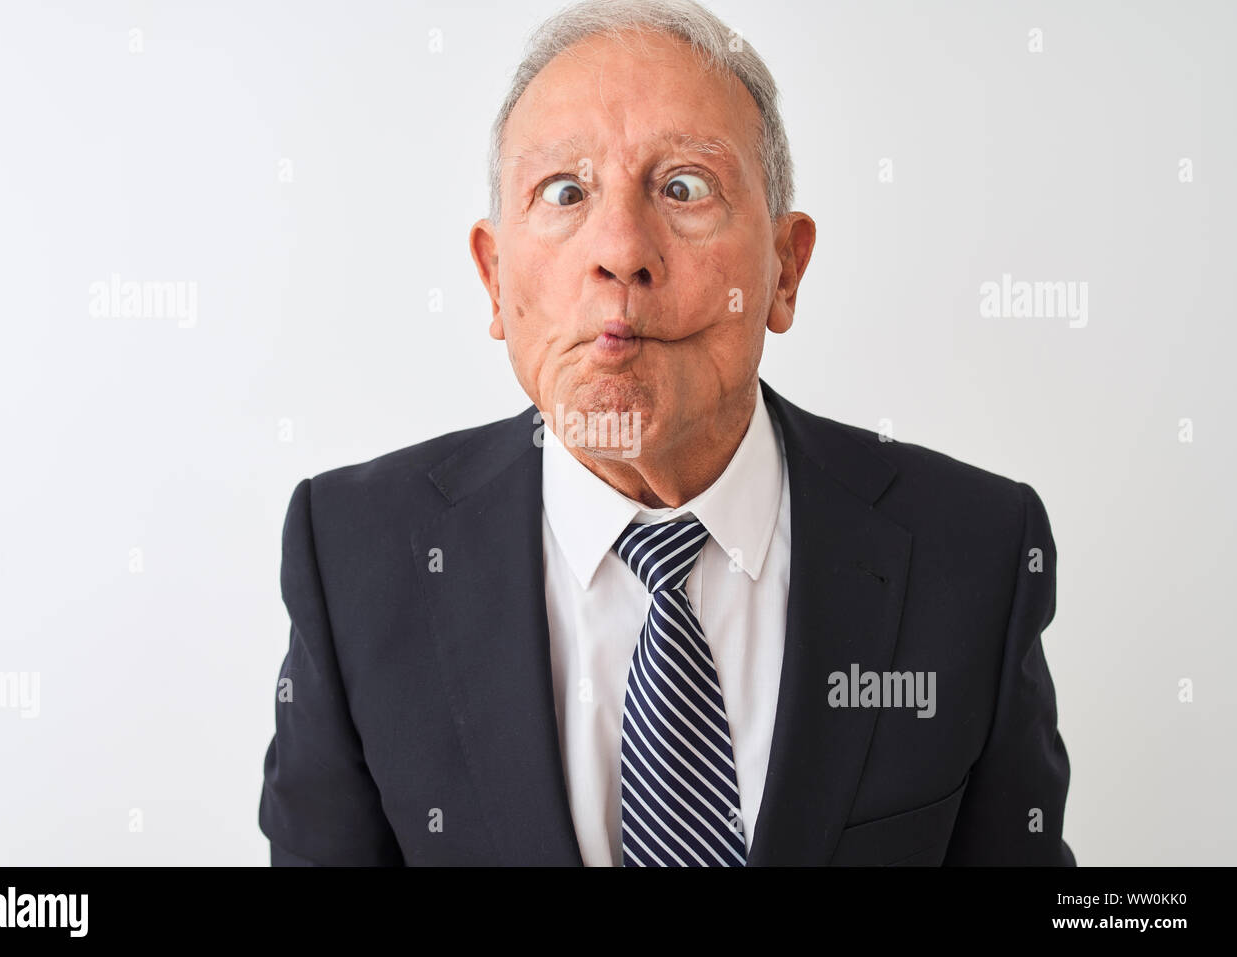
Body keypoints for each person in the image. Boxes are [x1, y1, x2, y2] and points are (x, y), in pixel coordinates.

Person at [258, 0, 1075, 866]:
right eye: (564, 192)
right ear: (495, 282)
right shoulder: (354, 557)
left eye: (684, 186)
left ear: (784, 270)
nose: (620, 250)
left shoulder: (975, 552)